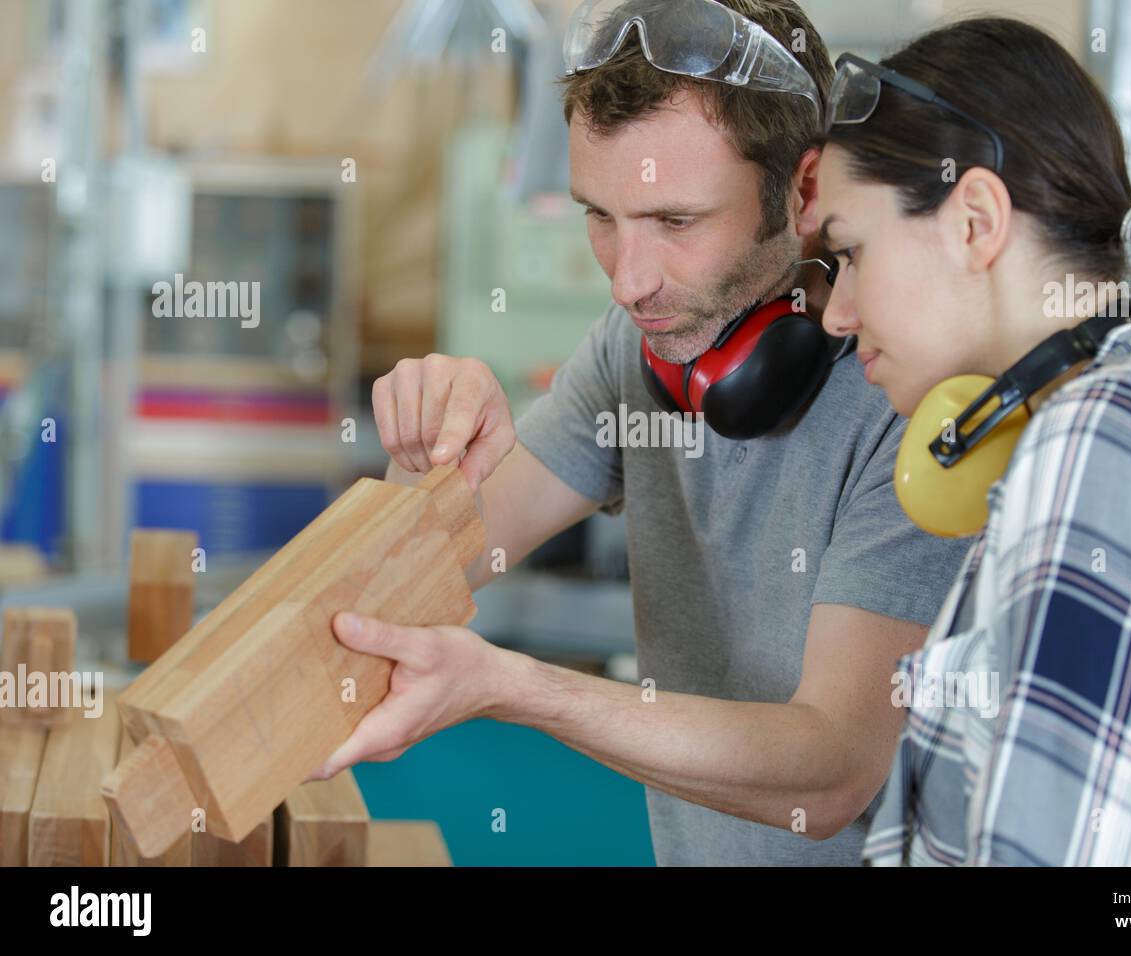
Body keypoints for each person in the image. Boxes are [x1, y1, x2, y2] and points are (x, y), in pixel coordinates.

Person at [311, 0, 971, 866]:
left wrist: (518, 689)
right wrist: (423, 453)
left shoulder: (916, 392)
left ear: (804, 189)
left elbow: (833, 770)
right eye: (600, 216)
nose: (629, 281)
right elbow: (409, 583)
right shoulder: (643, 346)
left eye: (675, 222)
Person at [815, 17, 1131, 865]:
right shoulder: (1115, 421)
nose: (835, 311)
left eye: (850, 252)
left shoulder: (1107, 443)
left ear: (974, 220)